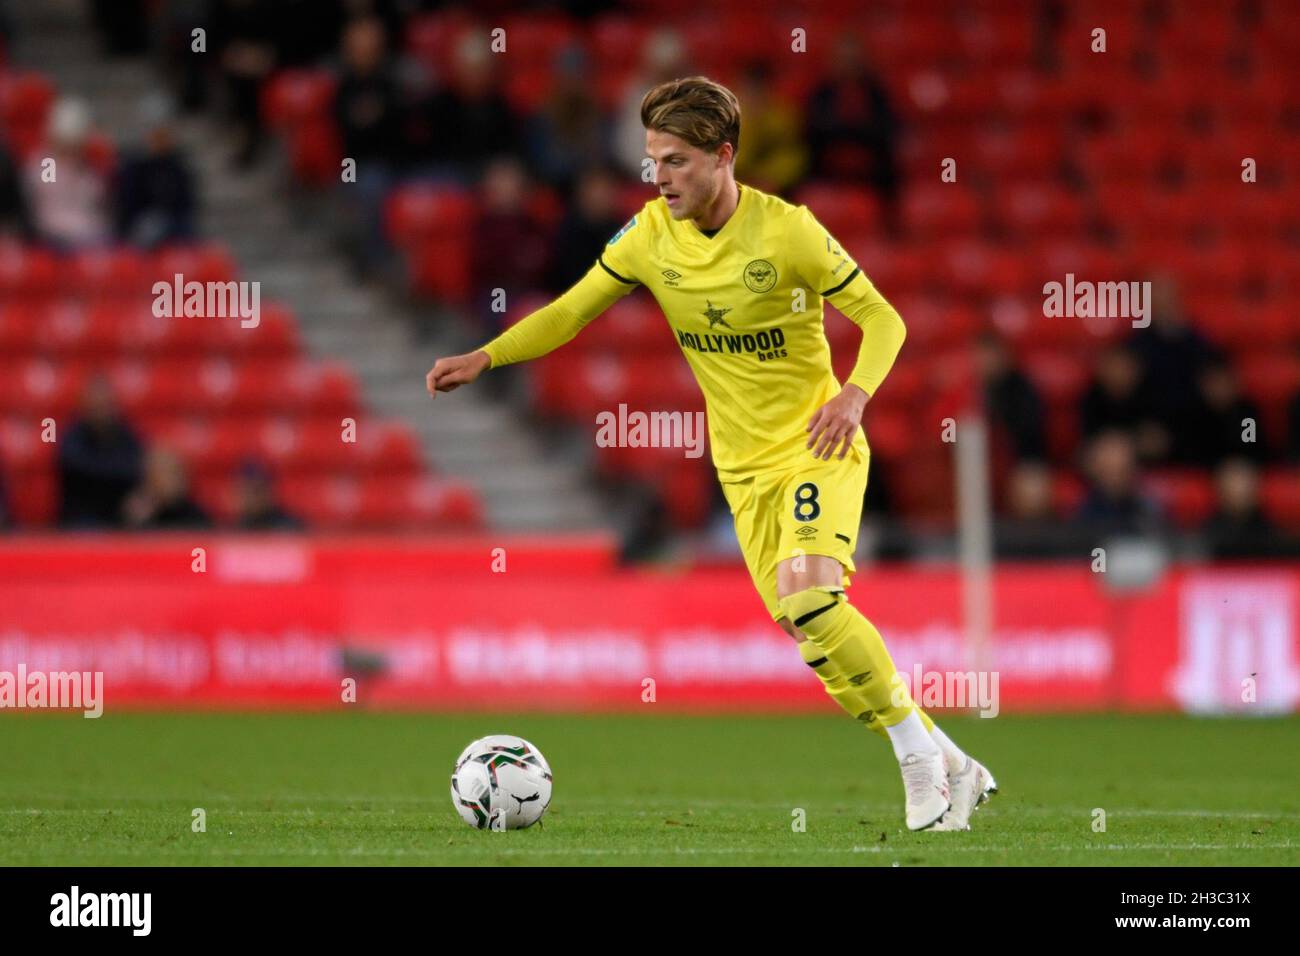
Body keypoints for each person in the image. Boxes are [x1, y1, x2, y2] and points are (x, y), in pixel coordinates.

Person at [426, 77, 994, 832]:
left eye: (678, 161)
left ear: (724, 157)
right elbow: (569, 311)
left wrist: (853, 394)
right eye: (653, 160)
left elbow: (883, 319)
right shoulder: (648, 238)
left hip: (817, 444)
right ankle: (951, 759)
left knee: (812, 599)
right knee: (809, 631)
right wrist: (488, 356)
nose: (660, 177)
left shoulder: (787, 232)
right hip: (742, 468)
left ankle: (916, 764)